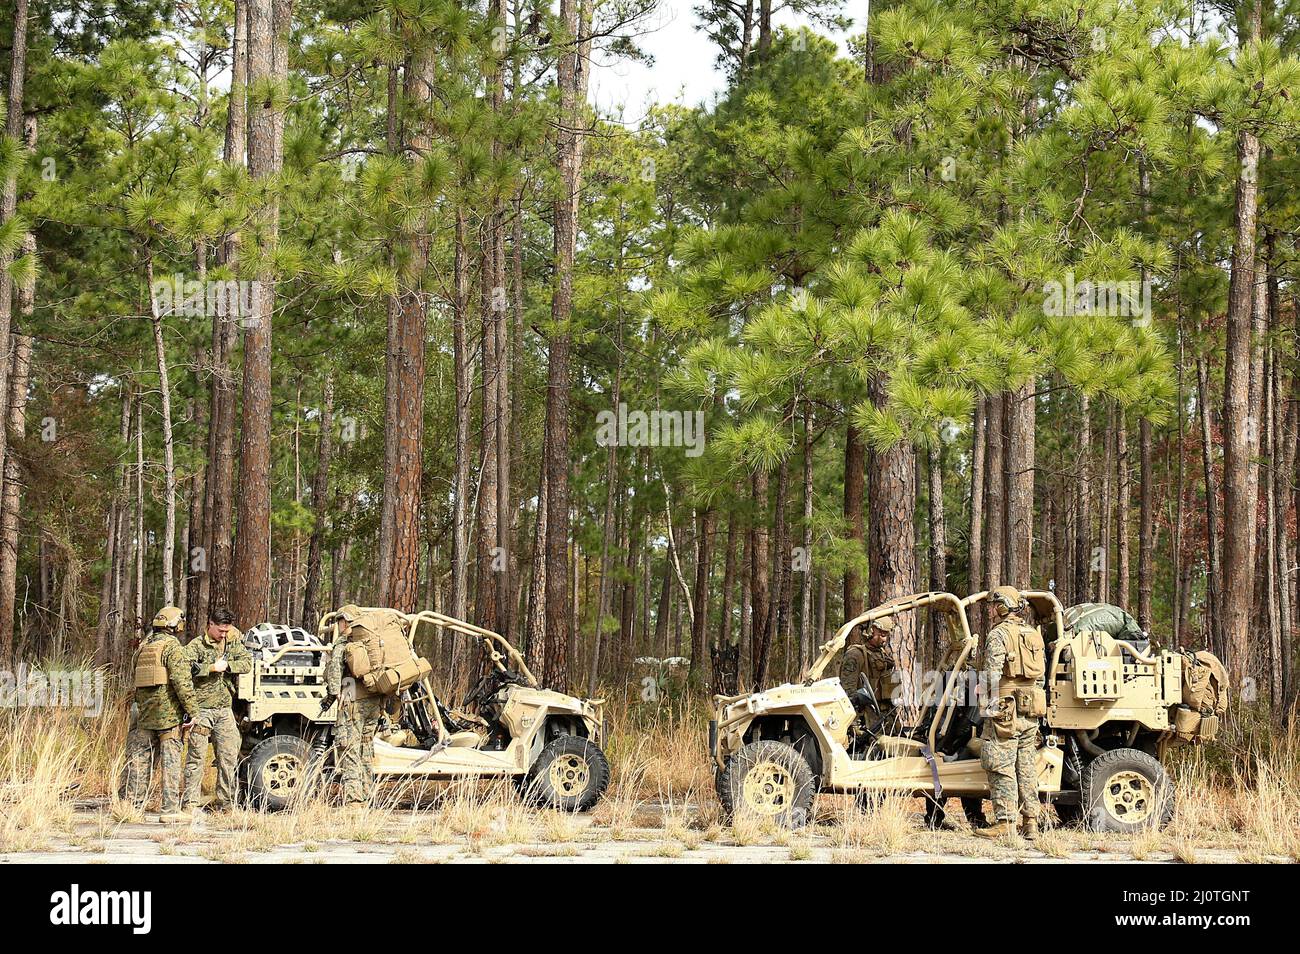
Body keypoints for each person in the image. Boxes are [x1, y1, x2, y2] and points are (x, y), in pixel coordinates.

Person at [976, 586, 1046, 840]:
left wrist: (986, 704)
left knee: (999, 763)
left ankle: (1005, 823)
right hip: (1030, 709)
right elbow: (1039, 676)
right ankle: (1031, 823)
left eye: (995, 605)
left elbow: (992, 677)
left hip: (1006, 710)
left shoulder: (999, 635)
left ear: (1004, 606)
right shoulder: (1033, 635)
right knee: (1026, 766)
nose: (992, 610)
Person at [124, 606, 199, 823]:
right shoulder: (173, 647)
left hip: (145, 713)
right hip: (167, 716)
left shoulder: (143, 648)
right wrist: (193, 711)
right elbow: (182, 682)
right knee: (171, 761)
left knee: (139, 760)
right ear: (175, 625)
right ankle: (169, 810)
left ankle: (134, 808)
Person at [180, 604, 251, 813]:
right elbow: (183, 668)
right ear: (210, 624)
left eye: (226, 630)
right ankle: (190, 804)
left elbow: (247, 662)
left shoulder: (231, 643)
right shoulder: (196, 645)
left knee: (228, 756)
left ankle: (226, 803)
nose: (223, 634)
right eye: (220, 630)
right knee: (196, 758)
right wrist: (210, 668)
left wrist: (229, 666)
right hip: (201, 710)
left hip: (224, 709)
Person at [320, 604, 387, 805]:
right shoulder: (372, 641)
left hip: (352, 703)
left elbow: (334, 674)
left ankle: (353, 801)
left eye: (341, 621)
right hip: (374, 702)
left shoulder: (344, 644)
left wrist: (332, 695)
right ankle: (367, 796)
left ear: (344, 621)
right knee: (366, 750)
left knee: (349, 750)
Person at [839, 616, 897, 714]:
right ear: (871, 631)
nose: (885, 639)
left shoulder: (882, 653)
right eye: (882, 634)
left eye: (887, 634)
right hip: (867, 714)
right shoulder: (855, 654)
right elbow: (848, 692)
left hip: (885, 712)